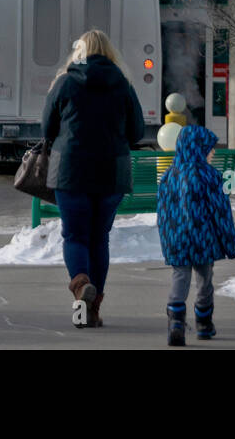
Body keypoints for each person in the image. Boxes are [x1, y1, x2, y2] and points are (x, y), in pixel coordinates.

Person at [42, 29, 144, 329]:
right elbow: (137, 132)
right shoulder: (123, 84)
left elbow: (47, 128)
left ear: (79, 52)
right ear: (110, 52)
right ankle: (93, 309)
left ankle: (80, 284)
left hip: (70, 171)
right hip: (111, 172)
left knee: (75, 236)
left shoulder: (65, 82)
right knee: (99, 238)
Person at [156, 123, 235, 346]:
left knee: (180, 277)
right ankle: (203, 323)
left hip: (176, 239)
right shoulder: (209, 175)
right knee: (205, 279)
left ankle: (176, 322)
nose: (212, 153)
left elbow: (162, 214)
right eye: (209, 149)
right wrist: (230, 244)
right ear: (198, 149)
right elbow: (221, 212)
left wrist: (167, 240)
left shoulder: (169, 175)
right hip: (204, 239)